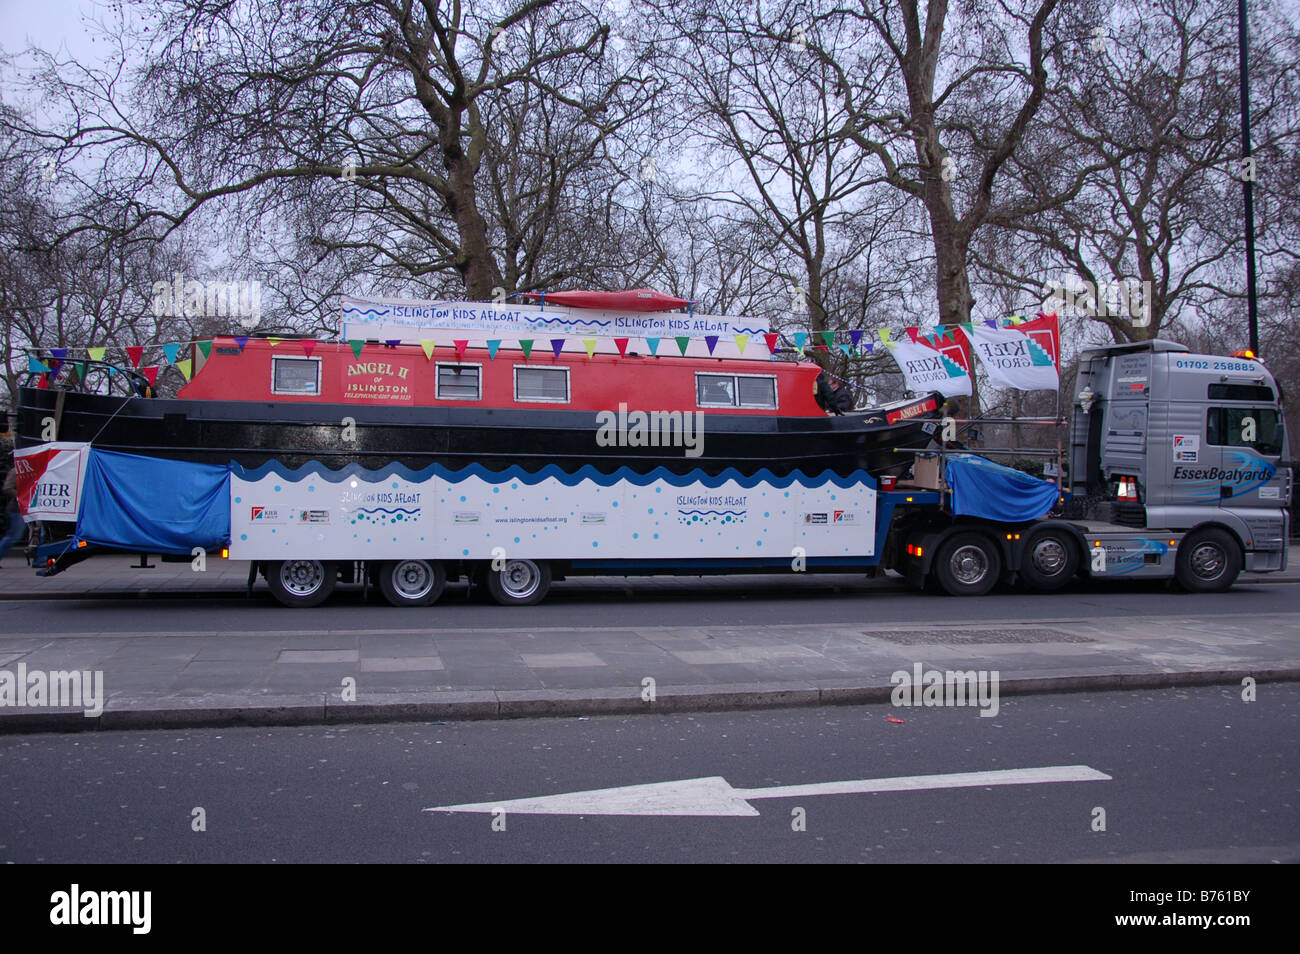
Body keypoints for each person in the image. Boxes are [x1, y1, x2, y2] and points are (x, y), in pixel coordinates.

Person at [0, 461, 27, 568]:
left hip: (31, 508)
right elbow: (7, 488)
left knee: (39, 534)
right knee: (14, 536)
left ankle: (40, 560)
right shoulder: (16, 470)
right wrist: (22, 496)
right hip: (18, 508)